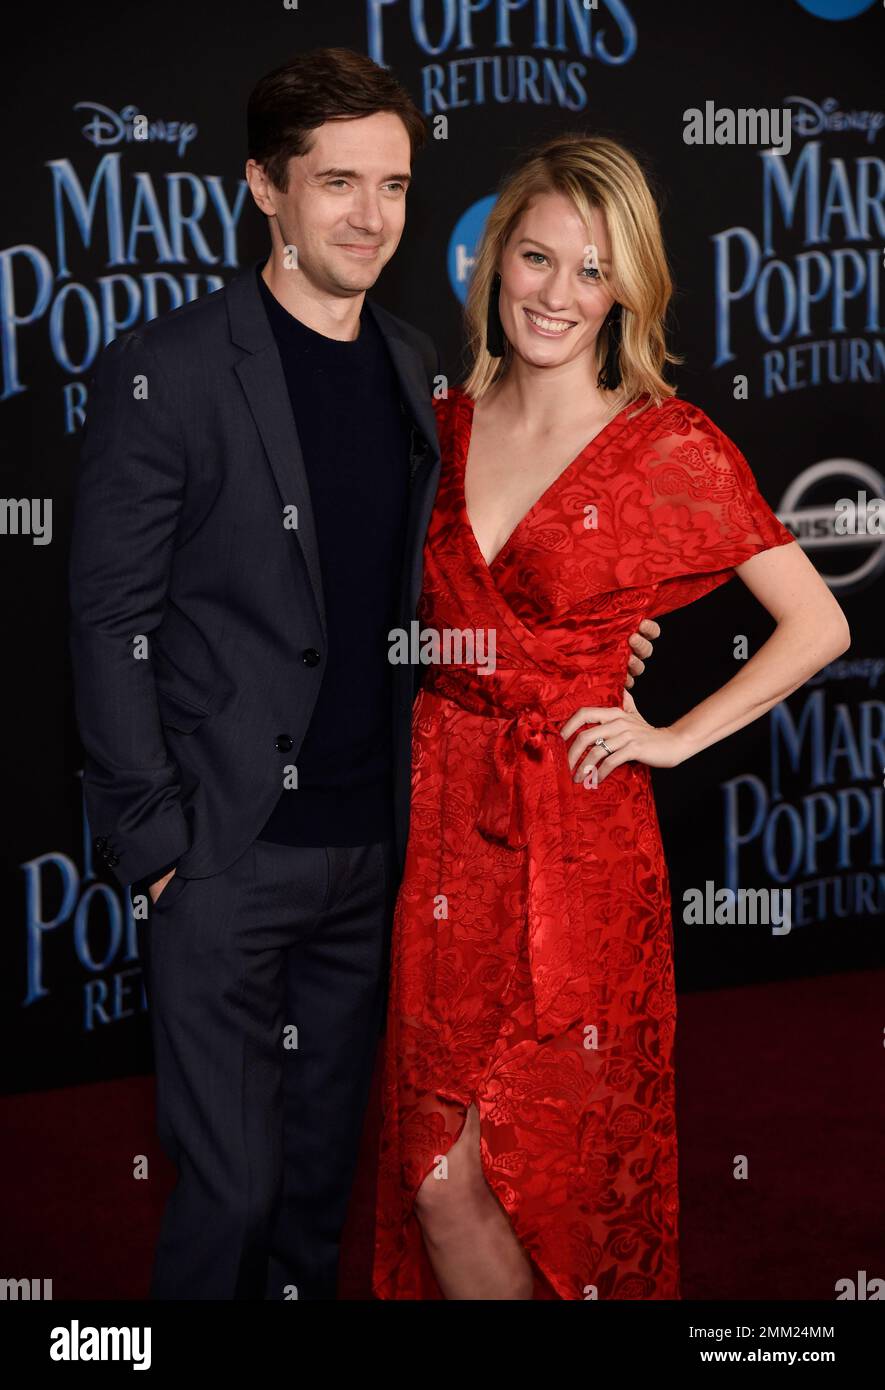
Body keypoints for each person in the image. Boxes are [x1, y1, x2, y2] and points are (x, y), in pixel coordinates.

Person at [67, 47, 660, 1300]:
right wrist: (159, 843)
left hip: (380, 857)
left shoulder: (414, 371)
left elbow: (454, 588)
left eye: (393, 184)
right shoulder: (164, 369)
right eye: (338, 183)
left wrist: (596, 638)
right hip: (225, 848)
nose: (372, 217)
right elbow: (104, 618)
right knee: (228, 1186)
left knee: (321, 1185)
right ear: (264, 190)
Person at [371, 133, 851, 1301]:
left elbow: (818, 623)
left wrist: (671, 731)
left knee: (557, 1176)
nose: (557, 293)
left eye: (592, 271)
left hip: (577, 845)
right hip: (441, 826)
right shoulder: (436, 424)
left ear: (629, 288)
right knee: (437, 1172)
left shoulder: (666, 446)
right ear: (493, 262)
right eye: (537, 258)